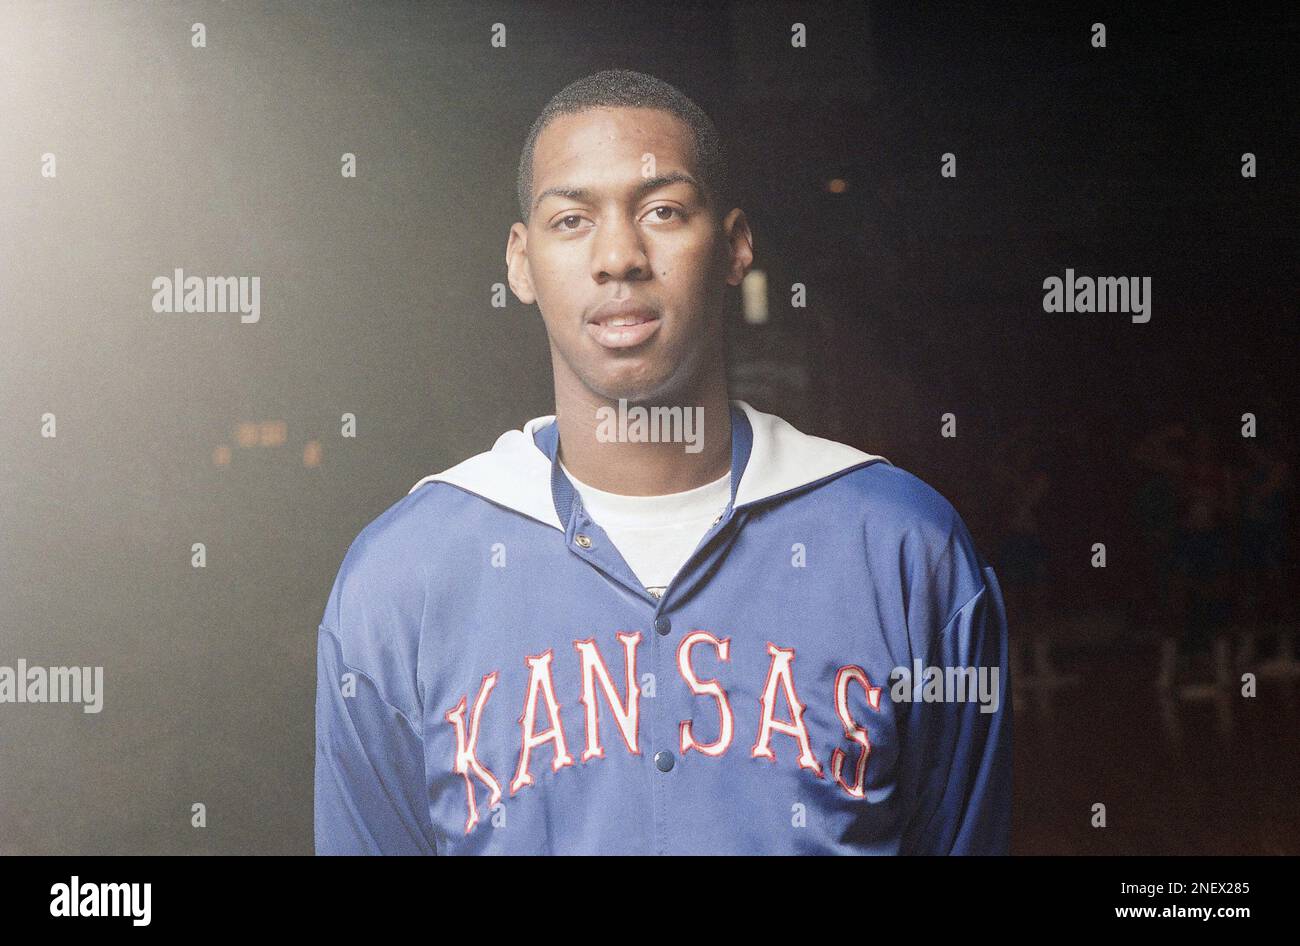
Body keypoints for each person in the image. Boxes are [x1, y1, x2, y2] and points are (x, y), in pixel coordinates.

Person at [314, 69, 1011, 855]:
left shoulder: (902, 548)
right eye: (572, 220)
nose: (619, 256)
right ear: (521, 262)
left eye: (663, 211)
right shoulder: (401, 577)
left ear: (735, 247)